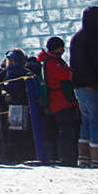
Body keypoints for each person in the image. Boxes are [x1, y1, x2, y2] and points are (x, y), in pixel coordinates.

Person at [70, 5, 98, 168]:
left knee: (86, 121)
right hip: (94, 86)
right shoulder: (95, 39)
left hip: (79, 87)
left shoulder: (77, 37)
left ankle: (84, 157)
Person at [37, 37, 79, 167]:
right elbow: (65, 75)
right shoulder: (52, 63)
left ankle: (68, 157)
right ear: (56, 48)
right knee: (66, 131)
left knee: (67, 130)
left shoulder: (50, 61)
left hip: (61, 102)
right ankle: (67, 158)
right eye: (61, 47)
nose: (63, 49)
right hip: (61, 102)